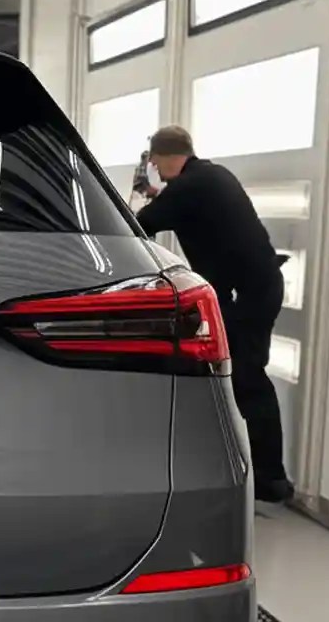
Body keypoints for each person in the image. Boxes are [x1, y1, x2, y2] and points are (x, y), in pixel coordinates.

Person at [136, 125, 294, 503]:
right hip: (258, 286)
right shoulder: (210, 176)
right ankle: (258, 475)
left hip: (246, 294)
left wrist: (146, 204)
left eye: (155, 161)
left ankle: (271, 481)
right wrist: (160, 197)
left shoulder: (188, 189)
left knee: (247, 377)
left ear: (166, 156)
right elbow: (187, 208)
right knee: (244, 376)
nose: (154, 168)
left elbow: (140, 226)